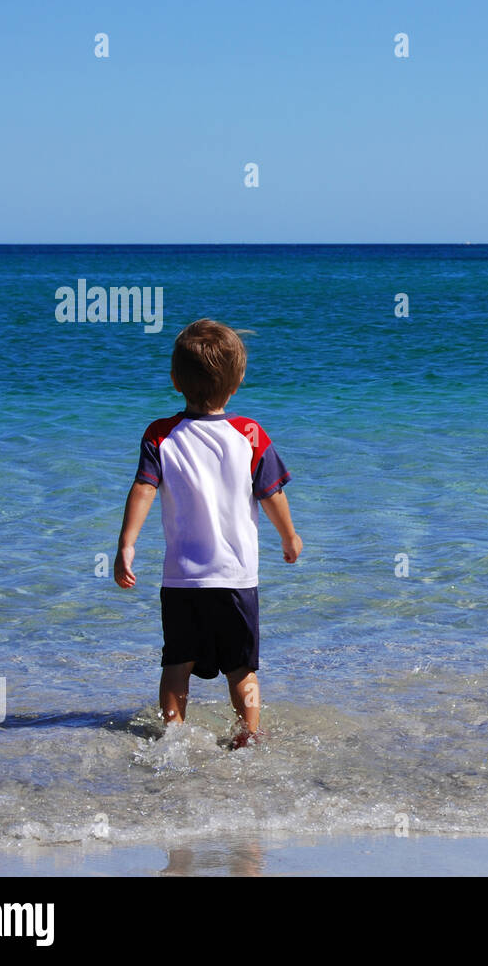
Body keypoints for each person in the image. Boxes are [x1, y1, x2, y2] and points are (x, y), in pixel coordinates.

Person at [114, 319, 301, 748]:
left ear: (175, 380)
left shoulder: (160, 434)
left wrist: (127, 545)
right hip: (236, 579)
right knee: (242, 669)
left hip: (182, 580)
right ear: (236, 385)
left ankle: (172, 735)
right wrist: (289, 537)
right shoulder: (250, 434)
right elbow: (271, 494)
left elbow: (144, 488)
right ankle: (248, 737)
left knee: (177, 663)